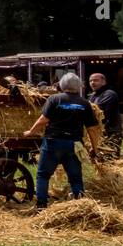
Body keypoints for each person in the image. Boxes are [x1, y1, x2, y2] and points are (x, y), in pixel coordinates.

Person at [23, 72, 103, 209]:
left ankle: (41, 204)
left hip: (53, 142)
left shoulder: (55, 99)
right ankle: (79, 204)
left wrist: (31, 131)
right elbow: (92, 129)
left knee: (43, 174)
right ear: (79, 86)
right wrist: (94, 148)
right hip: (74, 144)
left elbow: (44, 119)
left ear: (62, 85)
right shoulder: (84, 103)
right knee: (75, 177)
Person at [87, 72, 123, 160]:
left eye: (96, 80)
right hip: (100, 133)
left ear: (103, 82)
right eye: (90, 81)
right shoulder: (93, 96)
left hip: (110, 132)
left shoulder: (109, 94)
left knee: (110, 159)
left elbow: (99, 111)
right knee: (98, 160)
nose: (92, 82)